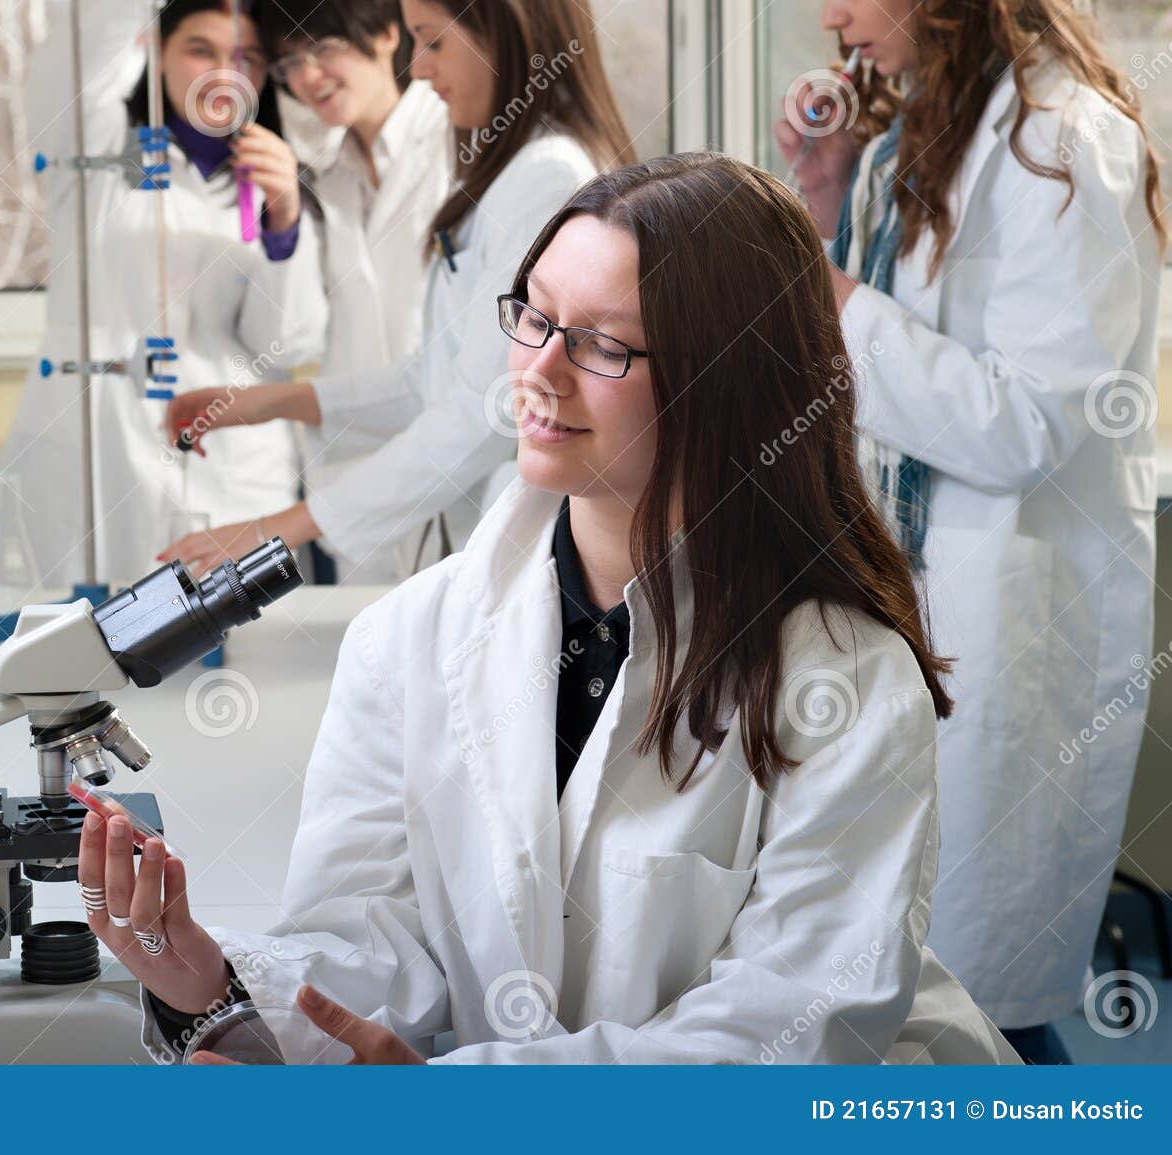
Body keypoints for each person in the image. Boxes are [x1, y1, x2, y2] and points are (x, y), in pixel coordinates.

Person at [81, 155, 1020, 1065]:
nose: (539, 370)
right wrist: (215, 983)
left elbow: (783, 1033)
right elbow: (375, 947)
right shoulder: (409, 638)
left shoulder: (844, 678)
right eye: (533, 317)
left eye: (601, 344)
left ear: (730, 378)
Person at [776, 0, 1163, 1064]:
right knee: (915, 995)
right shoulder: (920, 135)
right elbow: (886, 363)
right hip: (909, 605)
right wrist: (825, 197)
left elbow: (1024, 427)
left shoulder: (1062, 143)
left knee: (977, 1003)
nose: (829, 15)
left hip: (1008, 628)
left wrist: (834, 292)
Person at [160, 0, 633, 578]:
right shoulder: (501, 165)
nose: (422, 68)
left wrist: (283, 526)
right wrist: (274, 402)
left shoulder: (542, 172)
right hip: (407, 499)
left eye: (432, 43)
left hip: (493, 511)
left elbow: (484, 408)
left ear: (503, 31)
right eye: (289, 64)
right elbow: (434, 374)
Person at [0, 0, 326, 586]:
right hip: (97, 444)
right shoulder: (93, 150)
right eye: (200, 49)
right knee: (81, 642)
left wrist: (284, 222)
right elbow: (81, 51)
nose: (224, 72)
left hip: (228, 460)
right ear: (156, 50)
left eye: (245, 57)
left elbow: (285, 342)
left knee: (238, 654)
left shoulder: (280, 175)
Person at [248, 0, 452, 583]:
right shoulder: (325, 182)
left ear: (389, 33)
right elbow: (293, 335)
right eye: (290, 62)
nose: (308, 77)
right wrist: (284, 213)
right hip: (356, 479)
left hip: (459, 477)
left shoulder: (461, 148)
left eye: (325, 48)